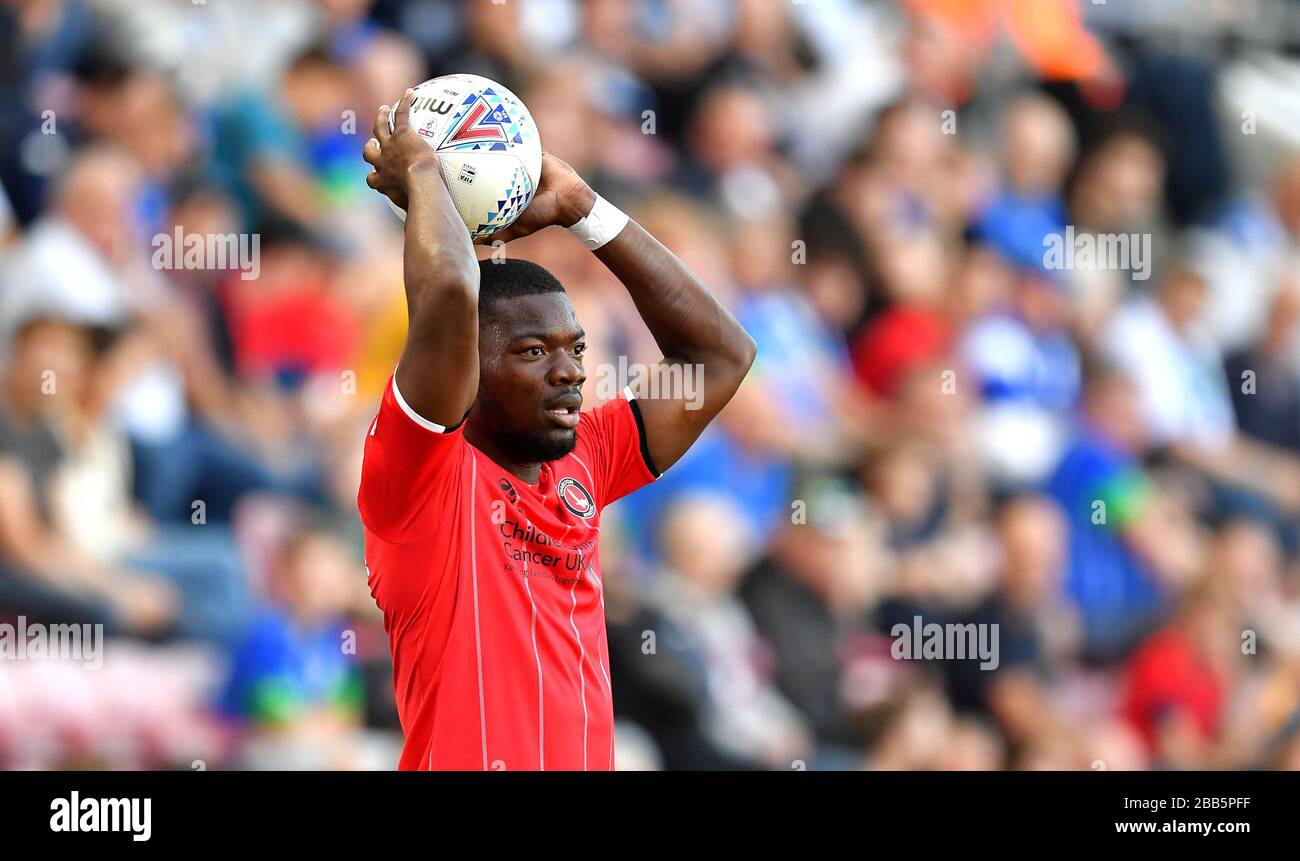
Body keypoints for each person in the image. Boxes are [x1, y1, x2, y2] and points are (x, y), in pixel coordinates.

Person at [356, 91, 756, 771]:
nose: (570, 372)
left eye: (574, 348)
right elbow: (453, 293)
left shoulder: (586, 462)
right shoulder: (421, 480)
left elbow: (719, 357)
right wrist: (424, 169)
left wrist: (583, 210)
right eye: (534, 352)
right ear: (466, 369)